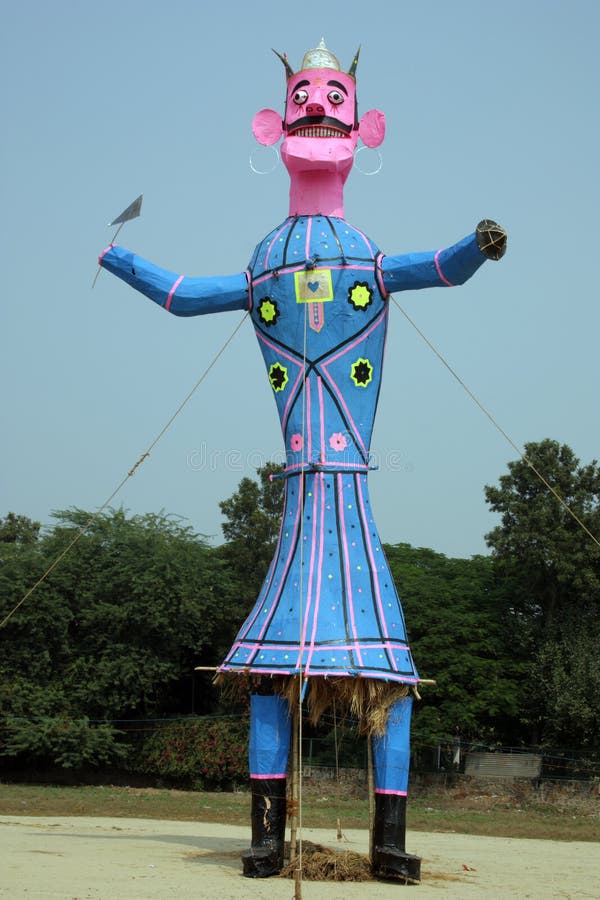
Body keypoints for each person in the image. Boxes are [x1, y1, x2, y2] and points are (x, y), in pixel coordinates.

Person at [99, 39, 506, 881]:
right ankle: (268, 837)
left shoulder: (364, 258)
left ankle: (387, 844)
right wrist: (119, 257)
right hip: (311, 494)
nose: (318, 105)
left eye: (334, 94)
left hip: (345, 488)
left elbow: (440, 268)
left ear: (367, 127)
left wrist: (478, 244)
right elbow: (179, 296)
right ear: (271, 125)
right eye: (304, 94)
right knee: (280, 678)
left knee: (374, 682)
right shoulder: (266, 263)